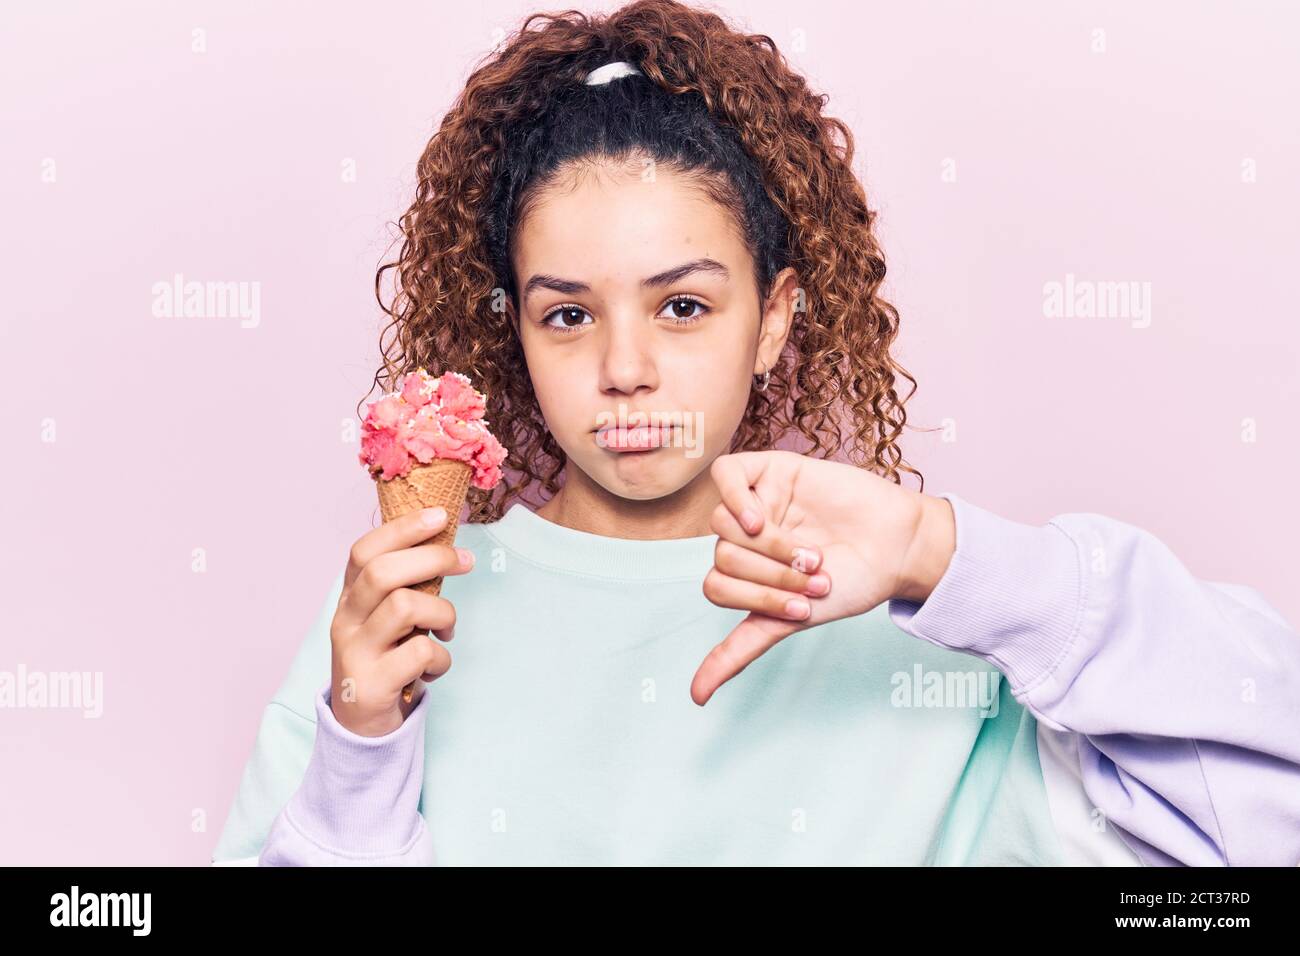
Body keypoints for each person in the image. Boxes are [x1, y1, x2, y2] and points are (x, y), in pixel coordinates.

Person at [211, 0, 1300, 866]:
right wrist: (360, 741)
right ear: (516, 335)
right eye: (568, 313)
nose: (625, 367)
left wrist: (947, 553)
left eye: (682, 305)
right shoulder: (403, 618)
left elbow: (1268, 802)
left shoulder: (915, 630)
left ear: (773, 318)